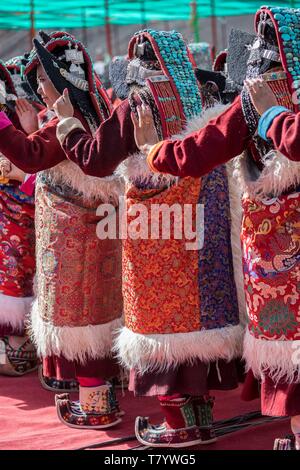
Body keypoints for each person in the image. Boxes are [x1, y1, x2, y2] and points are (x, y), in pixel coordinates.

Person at [53, 29, 245, 447]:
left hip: (157, 230)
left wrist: (67, 123)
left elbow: (97, 161)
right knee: (198, 318)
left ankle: (178, 424)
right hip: (200, 226)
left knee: (161, 322)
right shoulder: (200, 93)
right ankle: (200, 416)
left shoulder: (138, 102)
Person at [131, 7, 300, 450]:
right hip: (272, 242)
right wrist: (156, 153)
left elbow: (202, 150)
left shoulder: (260, 99)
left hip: (275, 239)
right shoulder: (252, 98)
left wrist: (270, 115)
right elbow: (203, 148)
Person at [0, 33, 123, 429]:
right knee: (94, 319)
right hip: (90, 238)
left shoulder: (68, 122)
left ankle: (97, 408)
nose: (38, 88)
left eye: (44, 81)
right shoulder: (93, 113)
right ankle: (100, 399)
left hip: (76, 242)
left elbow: (29, 156)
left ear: (64, 83)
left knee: (82, 324)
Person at [0, 58, 37, 376]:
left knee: (17, 271)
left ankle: (16, 351)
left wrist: (31, 133)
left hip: (21, 217)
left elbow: (35, 174)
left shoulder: (28, 123)